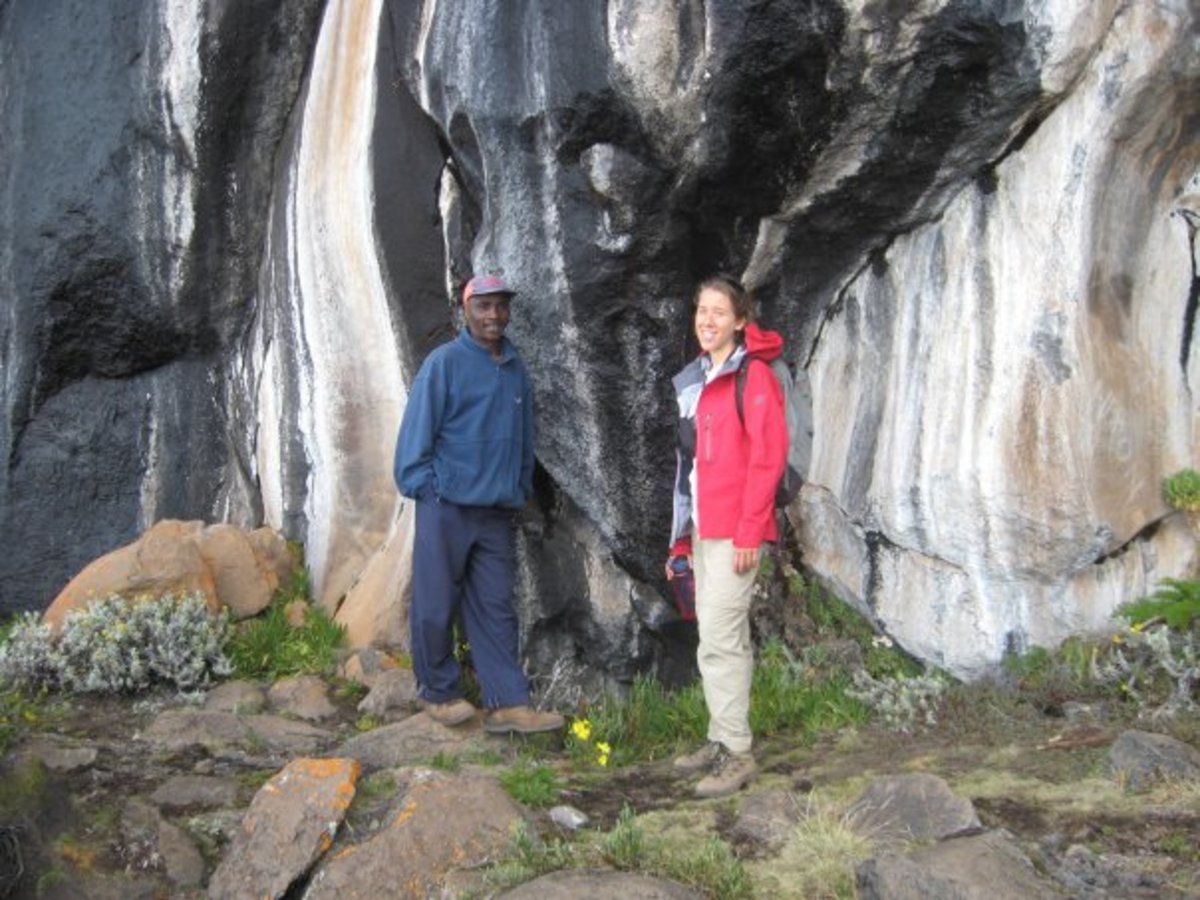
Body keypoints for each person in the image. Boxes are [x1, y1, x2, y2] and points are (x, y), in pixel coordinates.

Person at [393, 273, 564, 735]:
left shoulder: (514, 368)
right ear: (465, 310)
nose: (493, 315)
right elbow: (415, 439)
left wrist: (518, 488)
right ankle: (438, 692)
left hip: (495, 510)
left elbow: (523, 435)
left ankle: (507, 703)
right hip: (447, 504)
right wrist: (426, 487)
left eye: (500, 306)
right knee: (434, 602)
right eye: (484, 306)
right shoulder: (443, 364)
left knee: (495, 606)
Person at [666, 274, 788, 797]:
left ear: (740, 321)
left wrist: (748, 531)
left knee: (719, 637)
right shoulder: (696, 382)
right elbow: (688, 469)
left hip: (738, 532)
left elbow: (768, 458)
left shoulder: (752, 378)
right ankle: (721, 737)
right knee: (718, 638)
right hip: (704, 530)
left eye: (719, 312)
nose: (707, 321)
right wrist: (681, 538)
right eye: (701, 311)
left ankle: (736, 752)